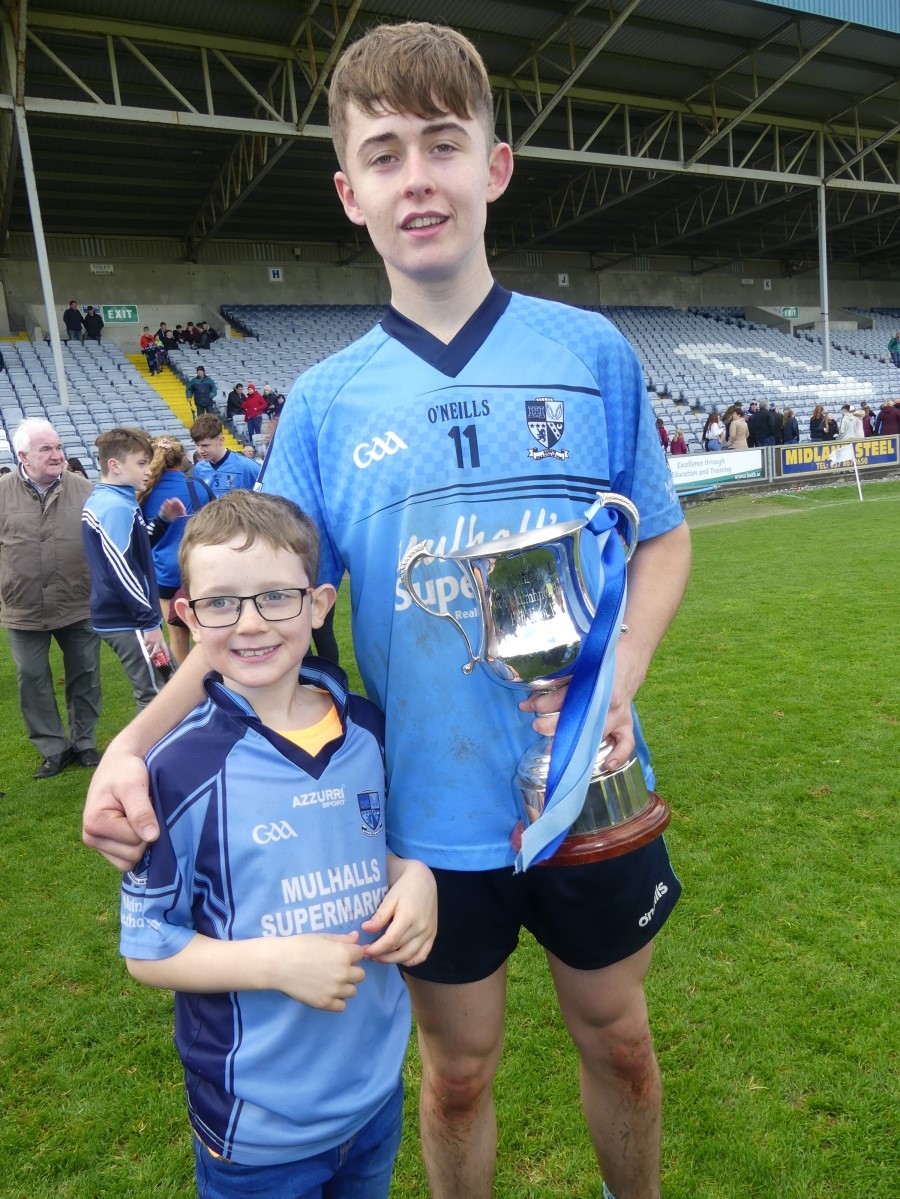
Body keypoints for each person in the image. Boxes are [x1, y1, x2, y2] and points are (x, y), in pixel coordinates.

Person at [83, 23, 691, 1199]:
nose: (418, 176)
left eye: (442, 145)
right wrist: (133, 741)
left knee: (621, 1038)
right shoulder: (321, 400)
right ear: (349, 192)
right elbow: (255, 609)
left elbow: (658, 536)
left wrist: (621, 676)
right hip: (418, 815)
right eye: (385, 153)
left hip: (588, 786)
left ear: (493, 167)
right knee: (458, 1069)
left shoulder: (594, 352)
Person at [120, 490, 436, 1197]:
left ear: (320, 603)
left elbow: (363, 843)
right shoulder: (178, 770)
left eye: (275, 597)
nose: (252, 622)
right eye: (222, 603)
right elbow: (148, 947)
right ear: (187, 615)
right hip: (258, 1131)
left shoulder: (366, 730)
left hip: (373, 1096)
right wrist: (275, 963)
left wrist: (414, 876)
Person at [1, 418, 101, 777]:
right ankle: (53, 748)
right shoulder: (2, 492)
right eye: (47, 449)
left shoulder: (85, 489)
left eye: (59, 447)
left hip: (77, 601)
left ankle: (85, 742)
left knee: (86, 673)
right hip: (22, 606)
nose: (57, 454)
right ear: (23, 456)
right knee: (32, 677)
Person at [81, 428, 171, 711]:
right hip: (128, 619)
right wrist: (148, 622)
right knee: (155, 693)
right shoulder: (114, 507)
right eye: (142, 463)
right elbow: (121, 570)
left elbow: (138, 543)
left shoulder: (115, 499)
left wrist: (163, 520)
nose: (149, 471)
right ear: (115, 465)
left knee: (169, 680)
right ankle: (153, 753)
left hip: (128, 616)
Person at [138, 435, 212, 665]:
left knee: (178, 640)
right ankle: (218, 686)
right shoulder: (198, 487)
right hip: (200, 570)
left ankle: (189, 695)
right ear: (182, 460)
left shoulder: (144, 493)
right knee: (210, 633)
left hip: (165, 576)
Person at [190, 413, 261, 495]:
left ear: (221, 441)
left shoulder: (248, 467)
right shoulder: (199, 468)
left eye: (205, 445)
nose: (200, 451)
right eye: (197, 445)